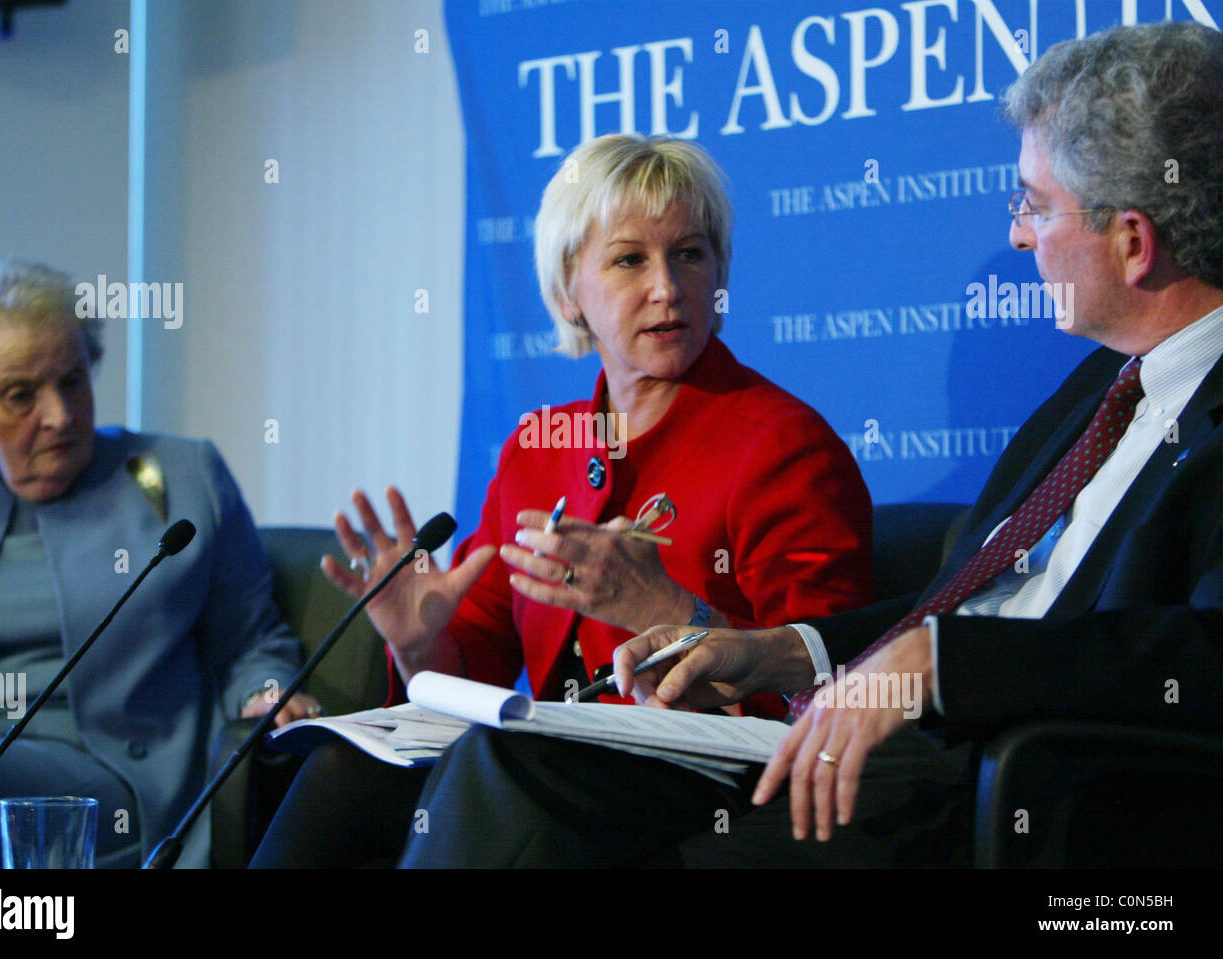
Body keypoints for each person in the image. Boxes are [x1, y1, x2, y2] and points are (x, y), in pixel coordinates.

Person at [397, 21, 1223, 868]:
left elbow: (1200, 650)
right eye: (627, 260)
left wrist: (941, 664)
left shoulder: (779, 442)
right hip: (898, 750)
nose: (1018, 235)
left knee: (531, 776)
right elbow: (942, 602)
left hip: (1014, 785)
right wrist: (775, 650)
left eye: (1035, 206)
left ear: (1131, 242)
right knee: (406, 767)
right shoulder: (1092, 396)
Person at [248, 134, 872, 867]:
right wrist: (421, 639)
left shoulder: (783, 443)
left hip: (708, 780)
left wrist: (667, 612)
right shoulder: (537, 449)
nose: (667, 287)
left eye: (691, 254)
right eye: (630, 259)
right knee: (341, 767)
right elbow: (472, 667)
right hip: (556, 766)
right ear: (568, 291)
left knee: (502, 768)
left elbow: (832, 678)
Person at [0, 256, 317, 867]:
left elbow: (250, 640)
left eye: (72, 381)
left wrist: (268, 693)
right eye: (20, 396)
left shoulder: (184, 477)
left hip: (119, 784)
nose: (58, 415)